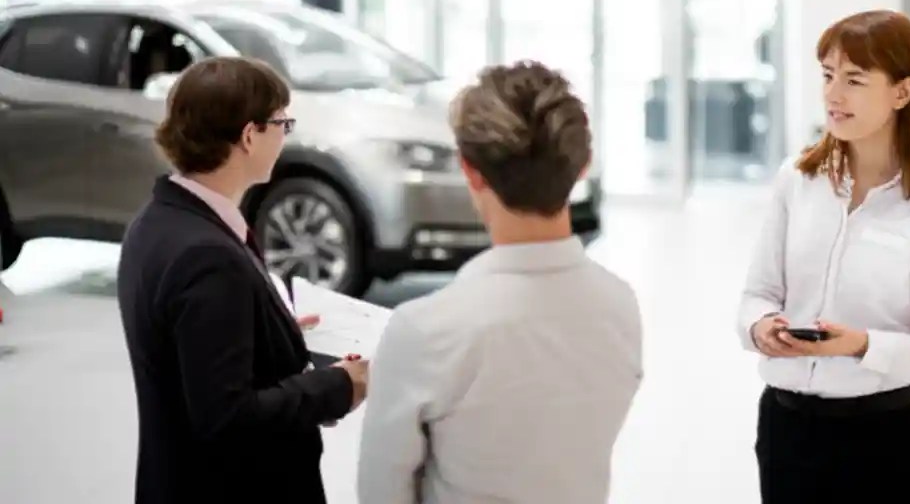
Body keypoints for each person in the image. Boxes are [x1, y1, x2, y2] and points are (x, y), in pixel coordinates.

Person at [357, 61, 643, 504]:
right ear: (583, 166)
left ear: (469, 171)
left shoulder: (425, 330)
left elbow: (381, 494)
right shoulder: (620, 306)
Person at [737, 10, 910, 504]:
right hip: (786, 430)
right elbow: (758, 293)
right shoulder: (796, 181)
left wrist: (861, 345)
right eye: (827, 75)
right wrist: (760, 327)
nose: (832, 94)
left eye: (853, 80)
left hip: (884, 438)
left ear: (902, 92)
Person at [116, 56, 369, 504]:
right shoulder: (208, 257)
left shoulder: (158, 221)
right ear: (250, 135)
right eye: (282, 123)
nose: (286, 136)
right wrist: (340, 385)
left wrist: (275, 333)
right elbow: (227, 417)